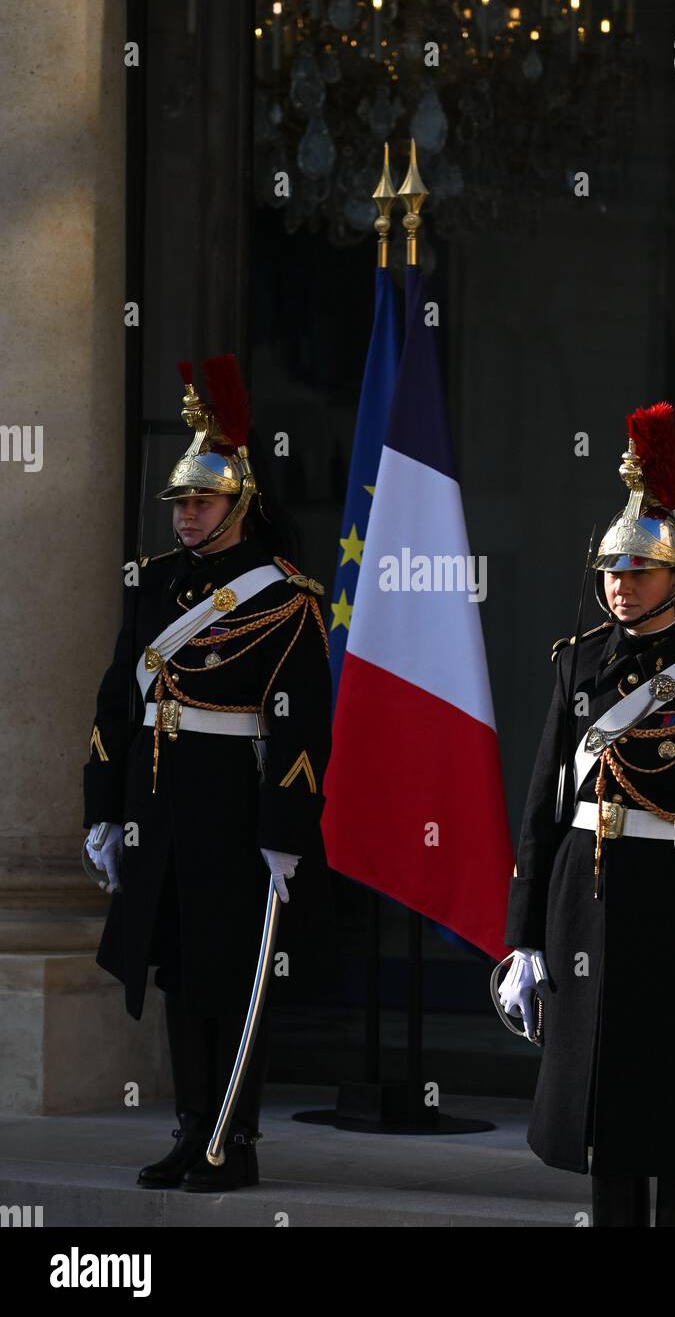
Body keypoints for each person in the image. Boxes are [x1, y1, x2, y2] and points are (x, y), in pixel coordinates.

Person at [500, 401, 675, 1227]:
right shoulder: (577, 664)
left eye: (640, 570)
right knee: (600, 1111)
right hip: (582, 908)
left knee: (673, 1101)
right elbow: (543, 808)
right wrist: (522, 936)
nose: (620, 586)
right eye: (612, 570)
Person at [82, 355, 332, 1192]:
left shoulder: (283, 598)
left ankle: (236, 1139)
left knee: (233, 975)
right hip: (157, 805)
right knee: (178, 973)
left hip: (235, 813)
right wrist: (103, 812)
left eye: (203, 501)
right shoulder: (154, 586)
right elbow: (118, 702)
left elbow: (301, 727)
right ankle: (193, 1129)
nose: (187, 515)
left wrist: (284, 831)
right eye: (181, 502)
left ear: (239, 504)